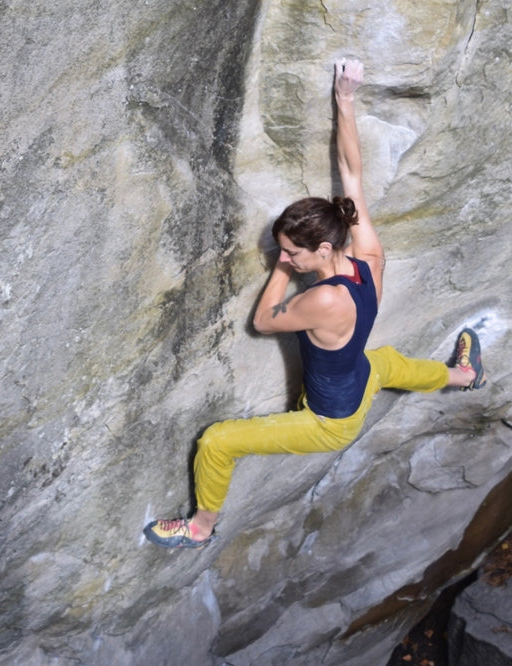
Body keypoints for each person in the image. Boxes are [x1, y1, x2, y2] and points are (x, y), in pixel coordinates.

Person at [144, 58, 485, 549]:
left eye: (293, 252)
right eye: (283, 249)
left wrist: (280, 271)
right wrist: (345, 98)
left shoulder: (325, 301)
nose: (284, 256)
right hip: (361, 376)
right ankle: (465, 376)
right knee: (385, 364)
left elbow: (263, 321)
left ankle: (200, 528)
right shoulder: (366, 252)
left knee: (217, 442)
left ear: (322, 250)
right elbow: (352, 173)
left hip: (328, 421)